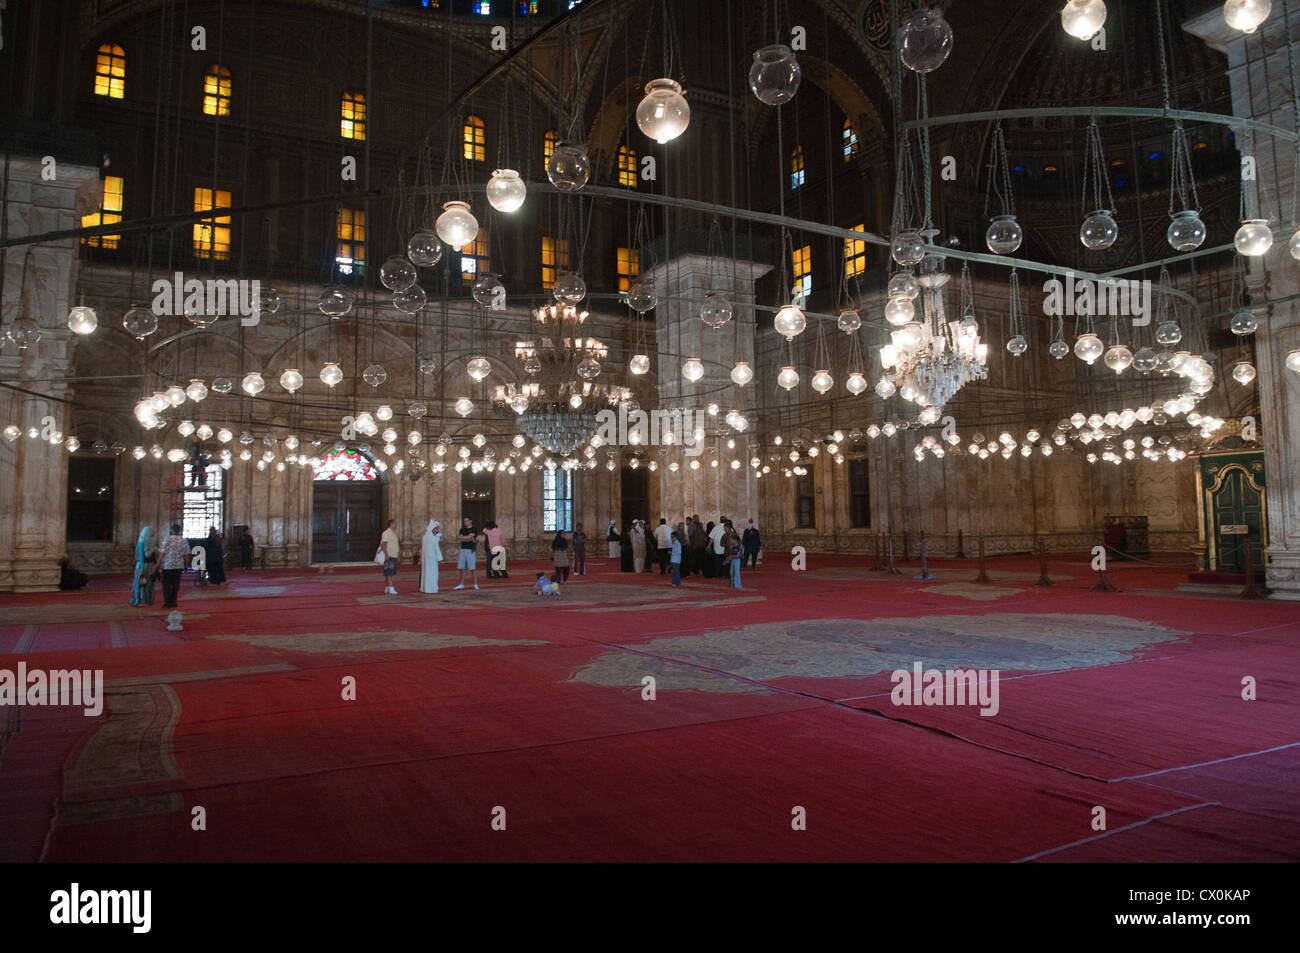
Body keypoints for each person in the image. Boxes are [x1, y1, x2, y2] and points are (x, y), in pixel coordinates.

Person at [159, 524, 189, 608]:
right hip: (178, 566)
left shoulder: (167, 539)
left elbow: (163, 552)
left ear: (172, 530)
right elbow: (186, 555)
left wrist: (158, 563)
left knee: (166, 585)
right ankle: (173, 601)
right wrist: (186, 566)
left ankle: (167, 602)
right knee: (175, 585)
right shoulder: (183, 540)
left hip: (168, 566)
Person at [131, 525, 158, 606]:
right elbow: (141, 556)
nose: (153, 534)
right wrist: (142, 568)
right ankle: (141, 600)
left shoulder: (150, 542)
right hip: (143, 566)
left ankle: (148, 600)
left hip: (150, 565)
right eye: (151, 532)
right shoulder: (141, 542)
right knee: (142, 583)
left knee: (149, 583)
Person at [454, 517, 480, 590]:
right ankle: (461, 584)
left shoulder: (474, 529)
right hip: (463, 550)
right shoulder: (462, 529)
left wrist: (466, 538)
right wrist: (468, 538)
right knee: (461, 568)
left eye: (467, 521)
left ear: (471, 521)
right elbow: (461, 538)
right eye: (464, 521)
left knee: (472, 568)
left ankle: (475, 584)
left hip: (470, 550)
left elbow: (470, 537)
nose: (465, 522)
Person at [420, 519, 443, 594]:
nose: (437, 530)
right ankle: (431, 589)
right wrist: (440, 558)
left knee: (426, 573)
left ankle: (424, 588)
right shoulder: (433, 538)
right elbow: (436, 548)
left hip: (426, 558)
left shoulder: (425, 537)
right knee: (433, 573)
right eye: (436, 528)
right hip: (432, 558)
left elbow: (440, 536)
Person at [379, 519, 400, 594]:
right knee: (389, 572)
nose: (396, 525)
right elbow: (384, 544)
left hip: (393, 555)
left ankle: (387, 587)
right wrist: (386, 554)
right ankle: (391, 587)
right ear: (391, 524)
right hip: (389, 555)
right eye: (395, 524)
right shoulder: (386, 533)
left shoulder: (393, 533)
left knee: (390, 571)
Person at [724, 520, 743, 589]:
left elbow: (739, 555)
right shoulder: (733, 546)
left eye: (731, 540)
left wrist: (731, 556)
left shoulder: (738, 547)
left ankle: (738, 585)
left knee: (736, 573)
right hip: (733, 560)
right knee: (731, 572)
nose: (730, 541)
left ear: (735, 540)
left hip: (737, 561)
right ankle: (733, 584)